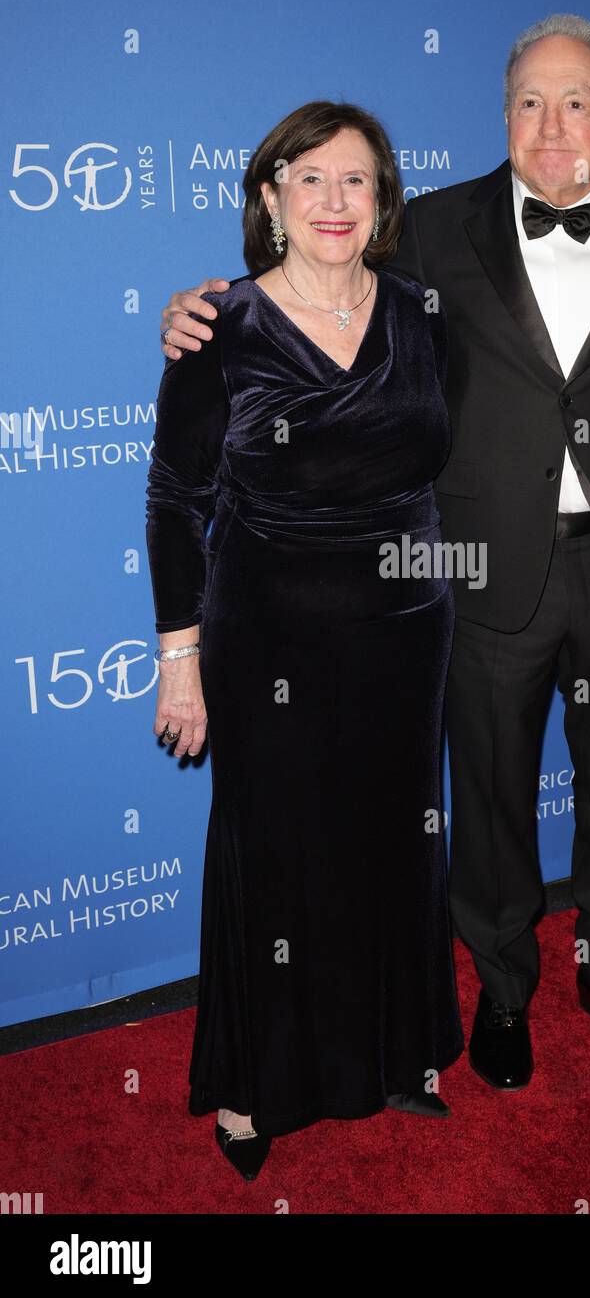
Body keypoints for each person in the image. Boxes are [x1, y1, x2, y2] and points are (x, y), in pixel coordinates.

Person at [159, 13, 590, 1095]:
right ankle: (503, 993)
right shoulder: (435, 230)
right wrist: (200, 308)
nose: (550, 127)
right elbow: (310, 267)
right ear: (501, 115)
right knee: (491, 798)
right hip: (480, 568)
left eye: (574, 102)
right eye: (527, 103)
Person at [146, 100, 463, 1181]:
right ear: (271, 196)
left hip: (405, 627)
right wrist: (177, 657)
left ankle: (395, 1050)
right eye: (310, 178)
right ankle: (254, 1083)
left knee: (395, 839)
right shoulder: (216, 327)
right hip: (268, 631)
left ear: (383, 202)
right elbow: (173, 497)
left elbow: (444, 455)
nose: (334, 200)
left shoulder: (422, 313)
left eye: (357, 180)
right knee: (270, 853)